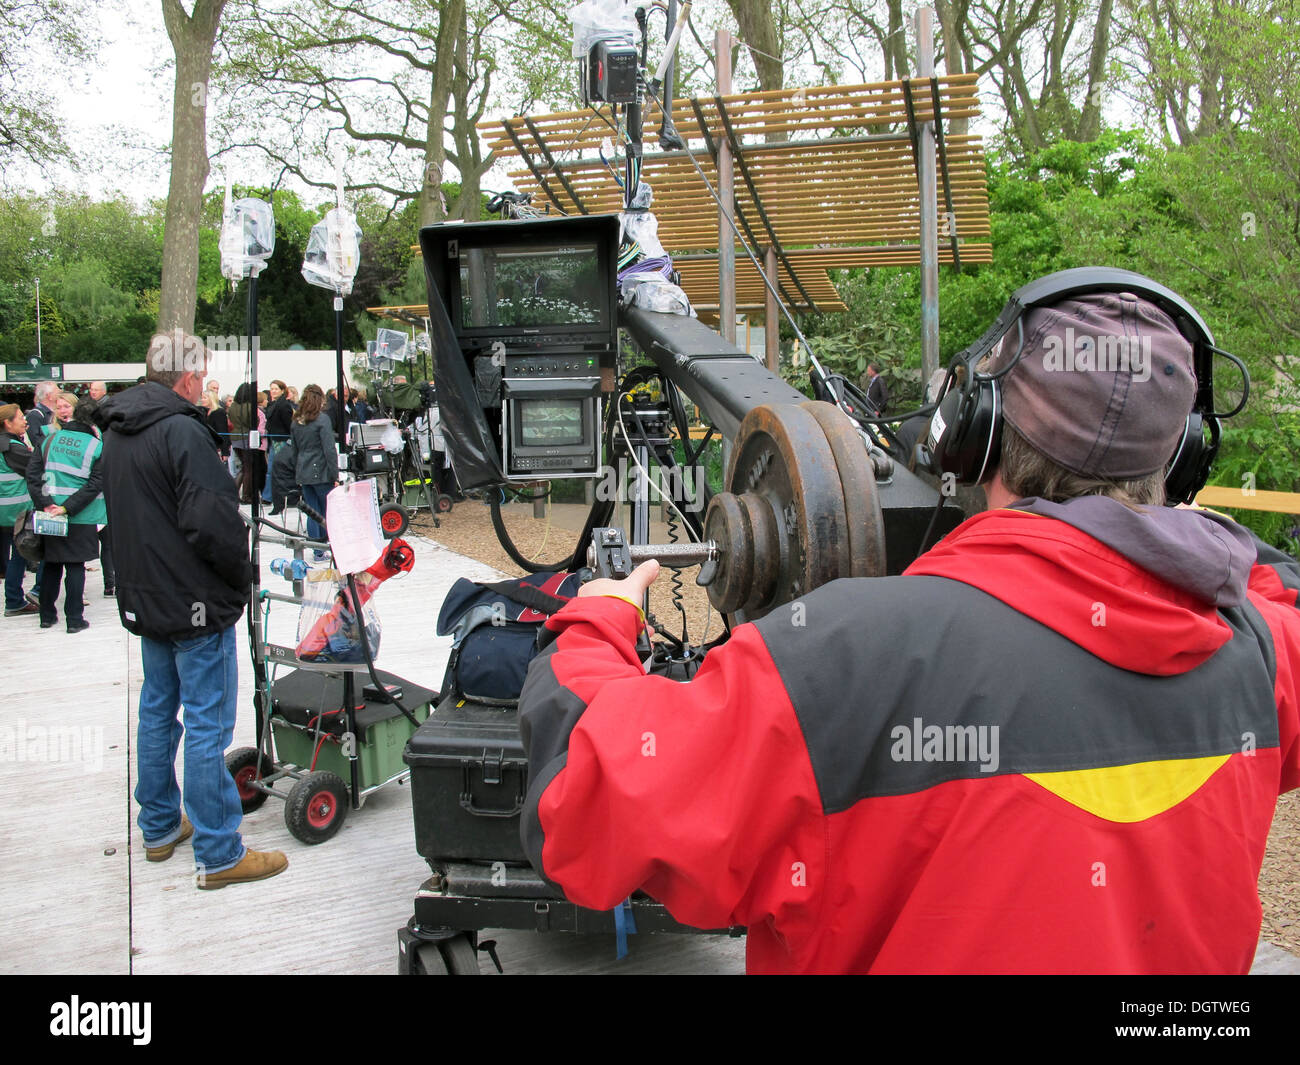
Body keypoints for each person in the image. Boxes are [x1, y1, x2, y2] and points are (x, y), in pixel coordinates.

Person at [516, 279, 1300, 974]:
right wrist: (1193, 542)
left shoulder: (845, 662)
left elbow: (583, 805)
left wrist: (596, 619)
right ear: (1185, 457)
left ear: (972, 432)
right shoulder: (1260, 654)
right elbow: (1278, 583)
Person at [97, 332, 287, 889]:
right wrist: (239, 577)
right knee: (207, 725)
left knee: (158, 711)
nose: (205, 386)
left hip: (147, 596)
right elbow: (212, 524)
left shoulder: (118, 429)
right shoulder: (182, 429)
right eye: (202, 375)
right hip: (193, 601)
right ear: (186, 378)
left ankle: (158, 828)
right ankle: (220, 851)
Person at [25, 397, 105, 632]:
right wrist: (68, 507)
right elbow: (95, 483)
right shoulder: (95, 446)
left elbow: (33, 475)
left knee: (50, 564)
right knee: (75, 566)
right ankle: (74, 619)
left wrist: (47, 504)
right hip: (80, 514)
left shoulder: (49, 440)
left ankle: (47, 616)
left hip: (49, 513)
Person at [273, 384, 337, 560]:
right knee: (327, 511)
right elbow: (329, 449)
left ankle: (317, 550)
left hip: (303, 470)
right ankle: (330, 546)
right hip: (322, 471)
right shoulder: (322, 420)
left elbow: (294, 449)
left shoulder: (296, 421)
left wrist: (298, 470)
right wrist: (335, 474)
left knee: (312, 510)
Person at [0, 404, 38, 616]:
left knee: (14, 555)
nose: (25, 420)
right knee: (21, 554)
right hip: (18, 511)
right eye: (21, 417)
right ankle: (14, 600)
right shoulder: (12, 448)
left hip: (5, 510)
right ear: (8, 422)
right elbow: (35, 468)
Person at [263, 380, 293, 513]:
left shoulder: (284, 405)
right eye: (271, 389)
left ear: (282, 390)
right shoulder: (273, 404)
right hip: (274, 440)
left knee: (277, 471)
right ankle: (268, 496)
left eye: (275, 389)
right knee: (271, 470)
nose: (273, 391)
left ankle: (276, 498)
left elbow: (288, 424)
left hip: (281, 440)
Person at [25, 381, 58, 448]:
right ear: (49, 396)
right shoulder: (34, 415)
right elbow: (36, 442)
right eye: (57, 390)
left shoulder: (55, 413)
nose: (61, 392)